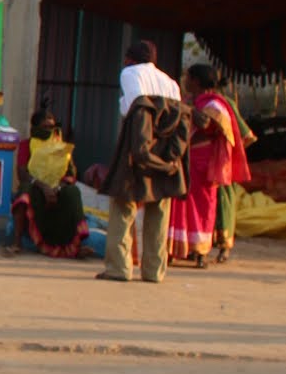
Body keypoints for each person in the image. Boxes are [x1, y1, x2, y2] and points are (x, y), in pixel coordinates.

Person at [102, 67, 188, 284]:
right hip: (166, 157)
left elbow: (131, 110)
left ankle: (119, 268)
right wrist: (168, 161)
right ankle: (154, 271)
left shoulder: (130, 75)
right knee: (158, 213)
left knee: (123, 210)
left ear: (130, 59)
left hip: (137, 154)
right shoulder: (171, 83)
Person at [168, 64, 241, 269]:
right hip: (185, 160)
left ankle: (200, 251)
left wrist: (188, 112)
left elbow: (207, 124)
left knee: (203, 206)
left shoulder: (215, 104)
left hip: (204, 163)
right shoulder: (190, 102)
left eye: (188, 77)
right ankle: (177, 248)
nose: (185, 81)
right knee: (180, 203)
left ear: (197, 81)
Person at [7, 110, 89, 258]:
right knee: (24, 192)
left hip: (58, 188)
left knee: (73, 192)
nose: (49, 131)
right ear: (35, 127)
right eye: (44, 127)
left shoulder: (62, 147)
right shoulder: (27, 145)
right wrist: (44, 187)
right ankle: (17, 242)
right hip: (36, 186)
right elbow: (22, 173)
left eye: (51, 127)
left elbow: (71, 174)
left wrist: (57, 188)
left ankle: (77, 245)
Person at [213, 88, 256, 262]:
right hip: (200, 163)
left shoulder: (224, 104)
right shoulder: (192, 102)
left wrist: (230, 155)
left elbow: (245, 136)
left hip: (222, 163)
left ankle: (224, 246)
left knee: (224, 204)